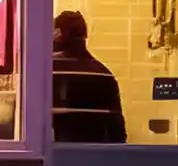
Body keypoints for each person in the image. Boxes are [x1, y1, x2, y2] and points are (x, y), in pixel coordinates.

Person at [53, 11, 127, 143]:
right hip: (96, 153)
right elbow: (117, 132)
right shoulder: (104, 74)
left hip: (58, 152)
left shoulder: (50, 71)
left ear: (58, 35)